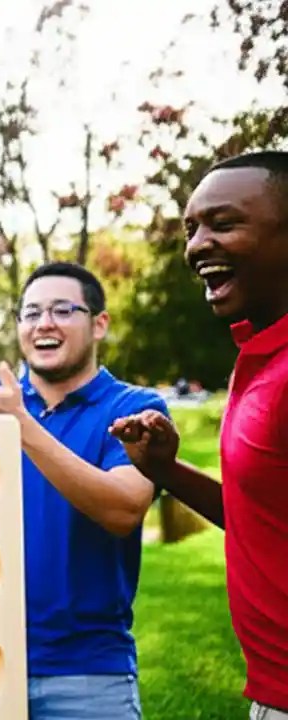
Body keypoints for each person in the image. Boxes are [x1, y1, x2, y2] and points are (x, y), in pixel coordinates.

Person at [0, 261, 168, 719]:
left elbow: (123, 510)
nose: (44, 323)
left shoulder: (134, 408)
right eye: (31, 313)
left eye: (64, 310)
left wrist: (20, 425)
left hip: (87, 674)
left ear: (99, 323)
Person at [111, 150, 288, 719]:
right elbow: (260, 514)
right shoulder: (258, 356)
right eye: (191, 229)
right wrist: (165, 471)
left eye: (224, 223)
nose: (195, 246)